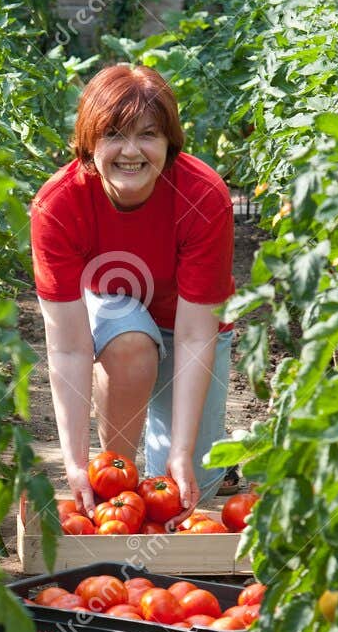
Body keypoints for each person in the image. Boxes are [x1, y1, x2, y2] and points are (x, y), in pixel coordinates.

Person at [29, 62, 235, 519]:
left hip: (189, 327)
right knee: (130, 345)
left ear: (169, 142)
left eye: (148, 135)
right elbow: (68, 347)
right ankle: (113, 477)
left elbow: (195, 334)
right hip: (112, 310)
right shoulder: (58, 205)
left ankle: (194, 460)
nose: (130, 152)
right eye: (113, 135)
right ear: (88, 143)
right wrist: (79, 464)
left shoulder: (203, 196)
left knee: (189, 486)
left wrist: (180, 455)